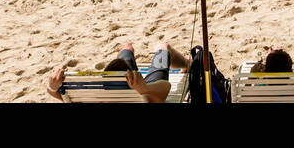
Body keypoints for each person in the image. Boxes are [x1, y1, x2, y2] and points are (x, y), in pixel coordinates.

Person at [46, 42, 192, 103]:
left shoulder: (95, 96)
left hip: (130, 85)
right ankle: (186, 64)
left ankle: (125, 63)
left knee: (127, 47)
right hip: (142, 87)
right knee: (163, 47)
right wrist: (145, 88)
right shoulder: (143, 97)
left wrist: (52, 86)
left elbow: (61, 94)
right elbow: (165, 89)